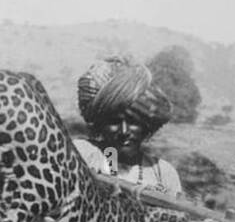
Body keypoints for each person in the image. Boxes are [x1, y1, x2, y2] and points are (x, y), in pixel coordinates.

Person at [74, 56, 183, 196]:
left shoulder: (163, 173)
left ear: (146, 124)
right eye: (113, 121)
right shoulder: (84, 154)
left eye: (133, 121)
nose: (124, 131)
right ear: (100, 123)